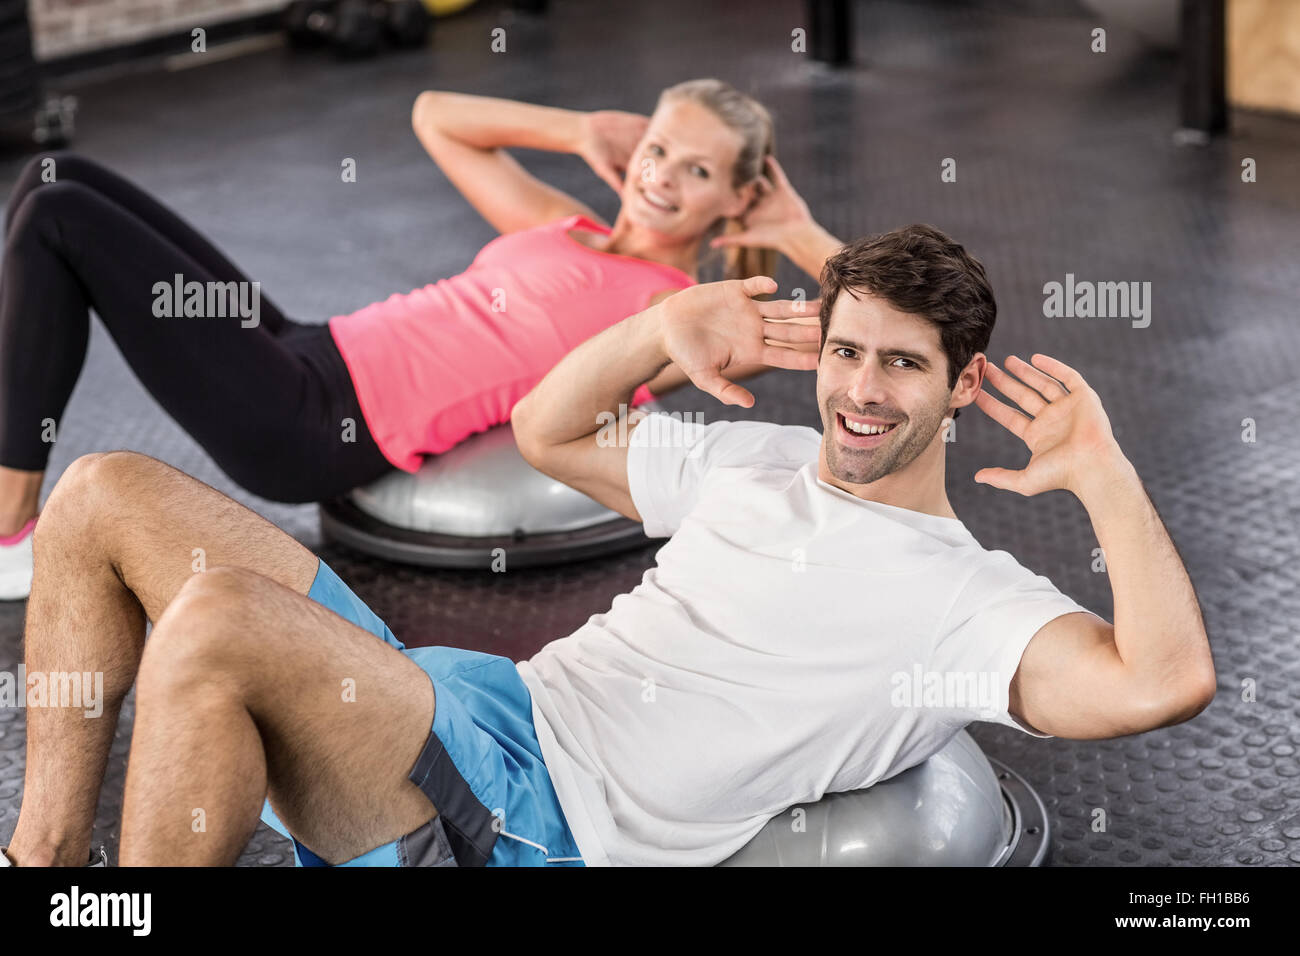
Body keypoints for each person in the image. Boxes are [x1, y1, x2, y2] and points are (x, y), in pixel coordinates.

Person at [0, 224, 1214, 868]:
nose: (860, 390)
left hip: (542, 821)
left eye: (903, 364)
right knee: (105, 490)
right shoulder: (755, 461)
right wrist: (660, 324)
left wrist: (1102, 471)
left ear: (961, 389)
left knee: (211, 625)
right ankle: (47, 864)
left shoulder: (963, 597)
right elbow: (546, 426)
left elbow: (1160, 681)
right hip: (472, 708)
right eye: (845, 350)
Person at [0, 77, 843, 599]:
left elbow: (868, 324)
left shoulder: (683, 311)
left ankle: (11, 532)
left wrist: (799, 231)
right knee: (56, 175)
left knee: (60, 219)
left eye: (698, 170)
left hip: (311, 423)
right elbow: (436, 115)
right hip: (309, 344)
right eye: (660, 147)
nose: (662, 174)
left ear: (736, 202)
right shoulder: (564, 225)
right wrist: (579, 129)